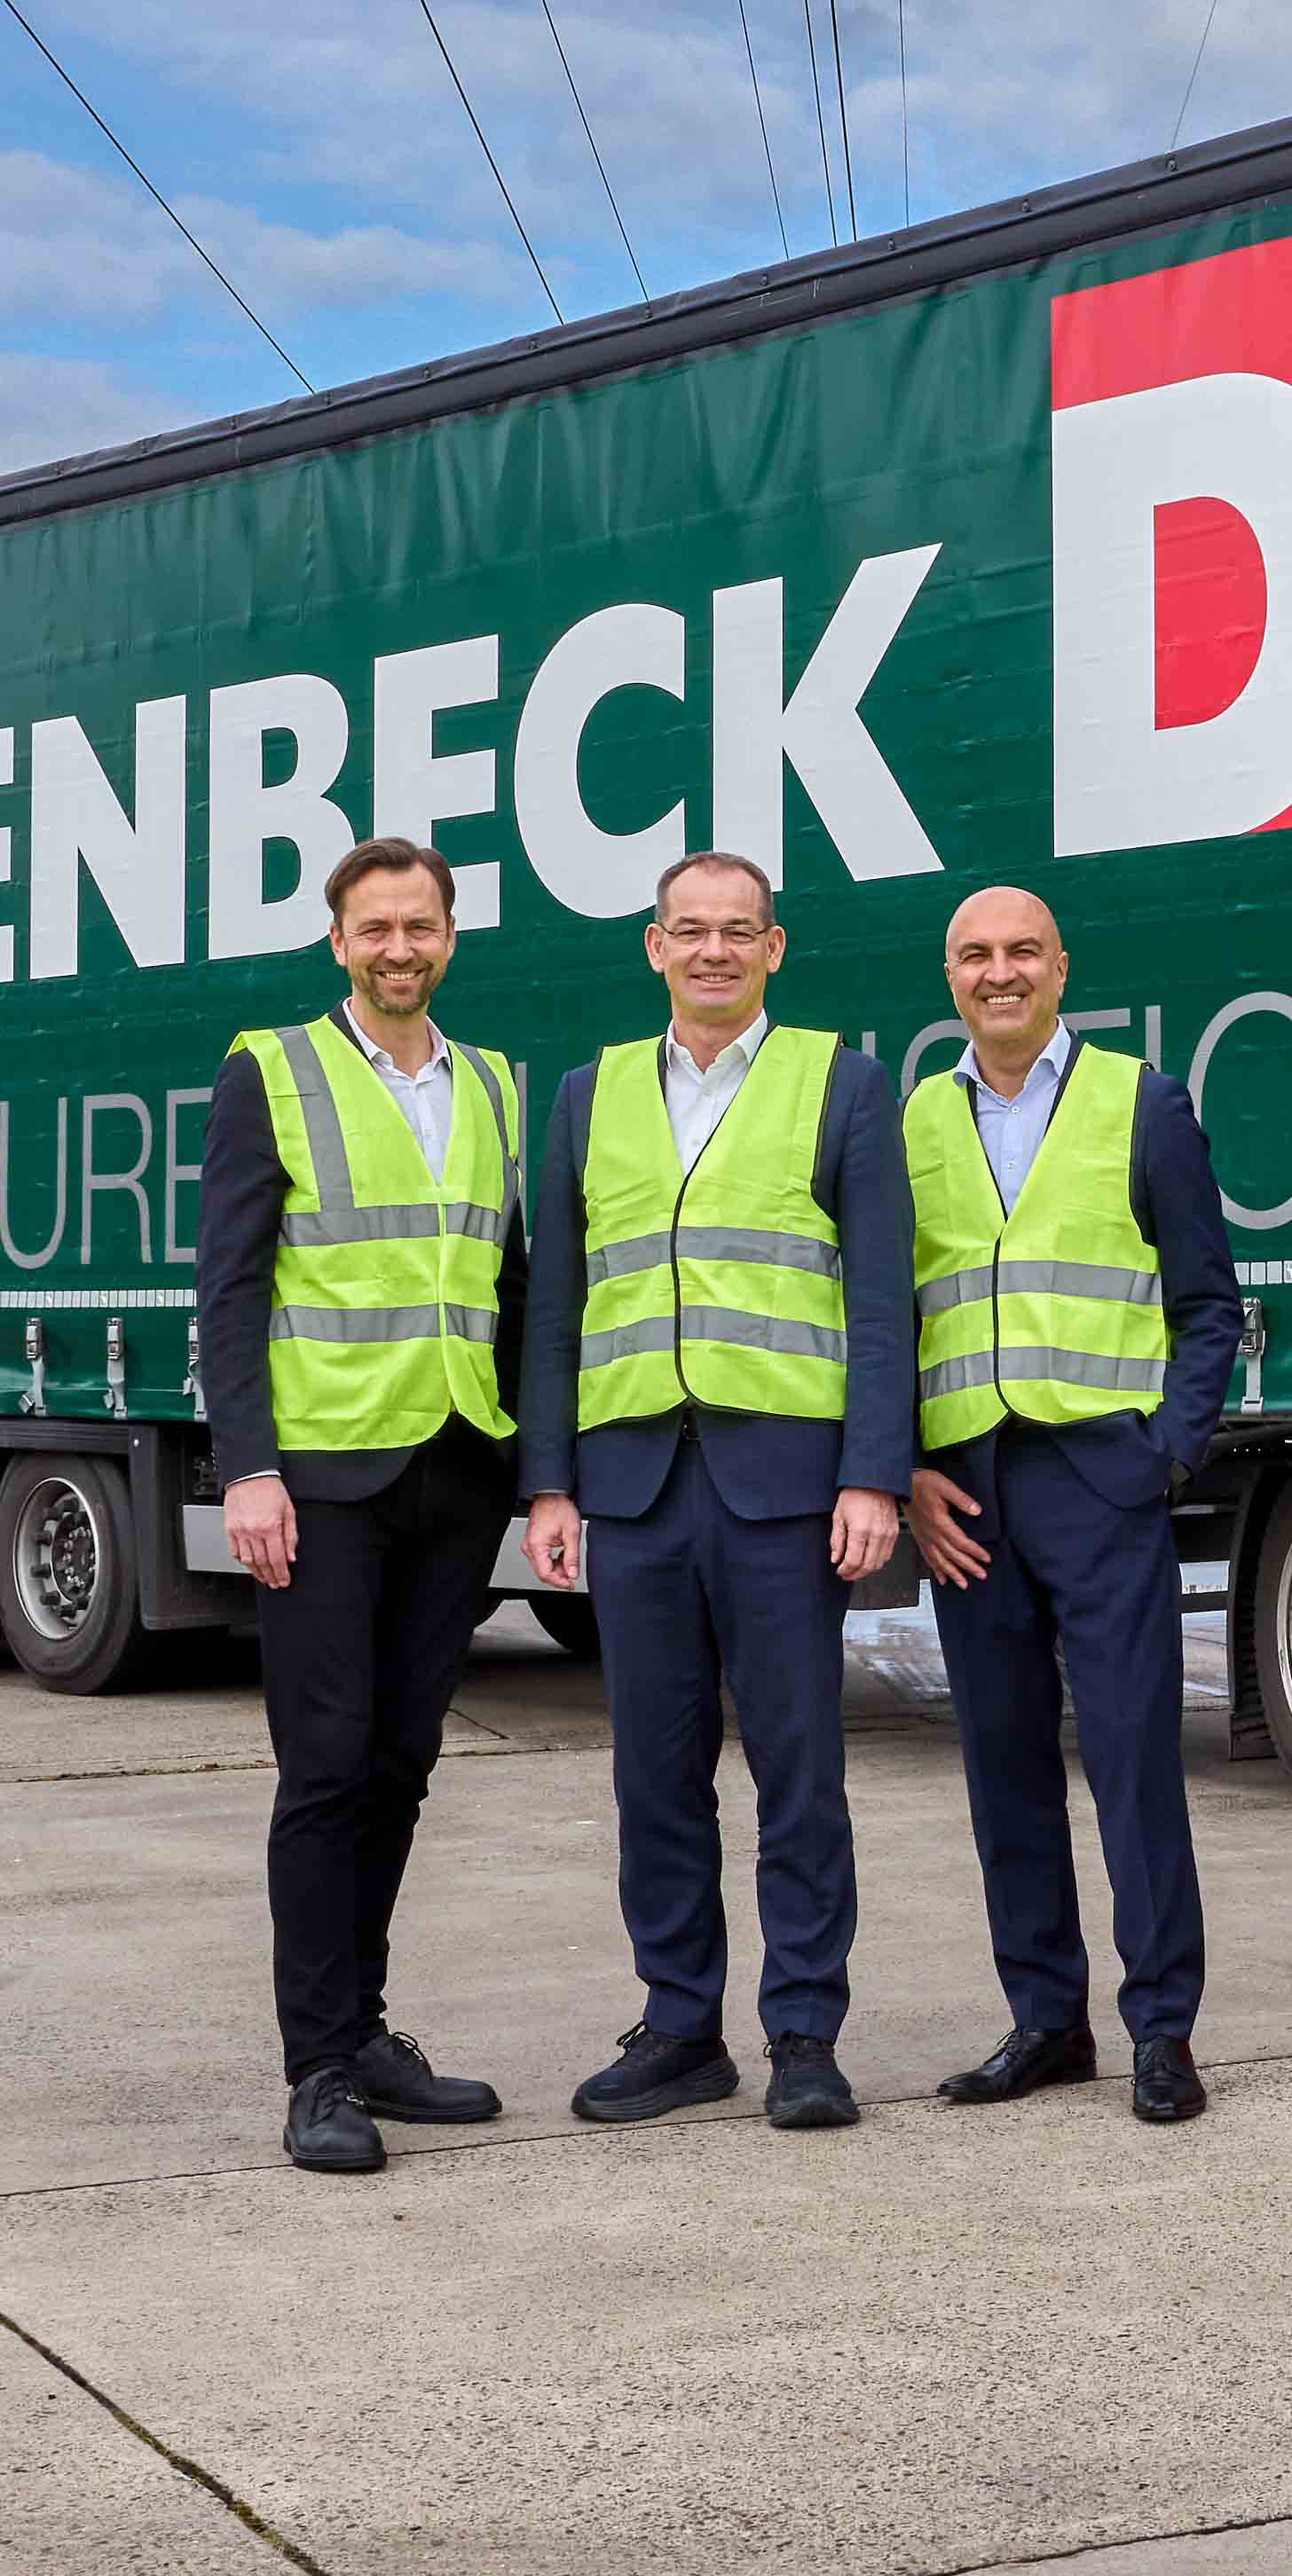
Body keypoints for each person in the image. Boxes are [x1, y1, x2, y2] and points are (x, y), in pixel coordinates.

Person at [521, 848, 912, 2135]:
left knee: (800, 1772)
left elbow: (877, 1303)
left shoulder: (842, 1086)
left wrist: (871, 1474)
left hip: (785, 1486)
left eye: (738, 932)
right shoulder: (587, 1096)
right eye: (690, 931)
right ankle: (680, 2026)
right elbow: (556, 1307)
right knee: (656, 1776)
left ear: (775, 950)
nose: (713, 952)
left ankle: (804, 2031)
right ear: (653, 947)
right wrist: (550, 1485)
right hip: (632, 1488)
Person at [193, 836, 530, 2178]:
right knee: (325, 1772)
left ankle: (370, 2032)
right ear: (339, 943)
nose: (400, 948)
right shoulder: (269, 1070)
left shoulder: (494, 1083)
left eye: (421, 926)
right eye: (374, 928)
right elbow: (229, 1286)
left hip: (455, 1468)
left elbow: (513, 1285)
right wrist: (248, 1467)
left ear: (451, 936)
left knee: (403, 1763)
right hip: (321, 1478)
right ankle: (318, 2067)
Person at [901, 885, 1243, 2127]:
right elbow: (891, 1314)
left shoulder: (1139, 1104)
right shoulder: (916, 1124)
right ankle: (1047, 2021)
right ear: (951, 977)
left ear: (1060, 969)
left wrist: (1166, 1455)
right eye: (976, 955)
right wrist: (904, 1465)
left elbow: (1209, 1304)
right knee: (1003, 1770)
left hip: (1101, 1482)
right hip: (968, 1496)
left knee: (1134, 1760)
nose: (1000, 973)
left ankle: (1163, 2029)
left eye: (1022, 953)